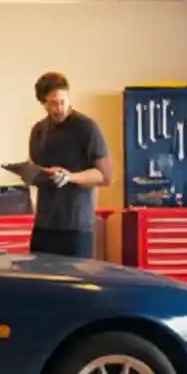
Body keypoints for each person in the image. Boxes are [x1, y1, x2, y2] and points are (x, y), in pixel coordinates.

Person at [26, 72, 111, 258]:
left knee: (76, 284)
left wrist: (69, 177)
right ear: (43, 104)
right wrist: (31, 173)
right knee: (39, 282)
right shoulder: (38, 131)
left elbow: (104, 176)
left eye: (62, 101)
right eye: (52, 104)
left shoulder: (87, 128)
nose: (59, 108)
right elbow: (36, 173)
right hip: (45, 224)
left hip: (76, 227)